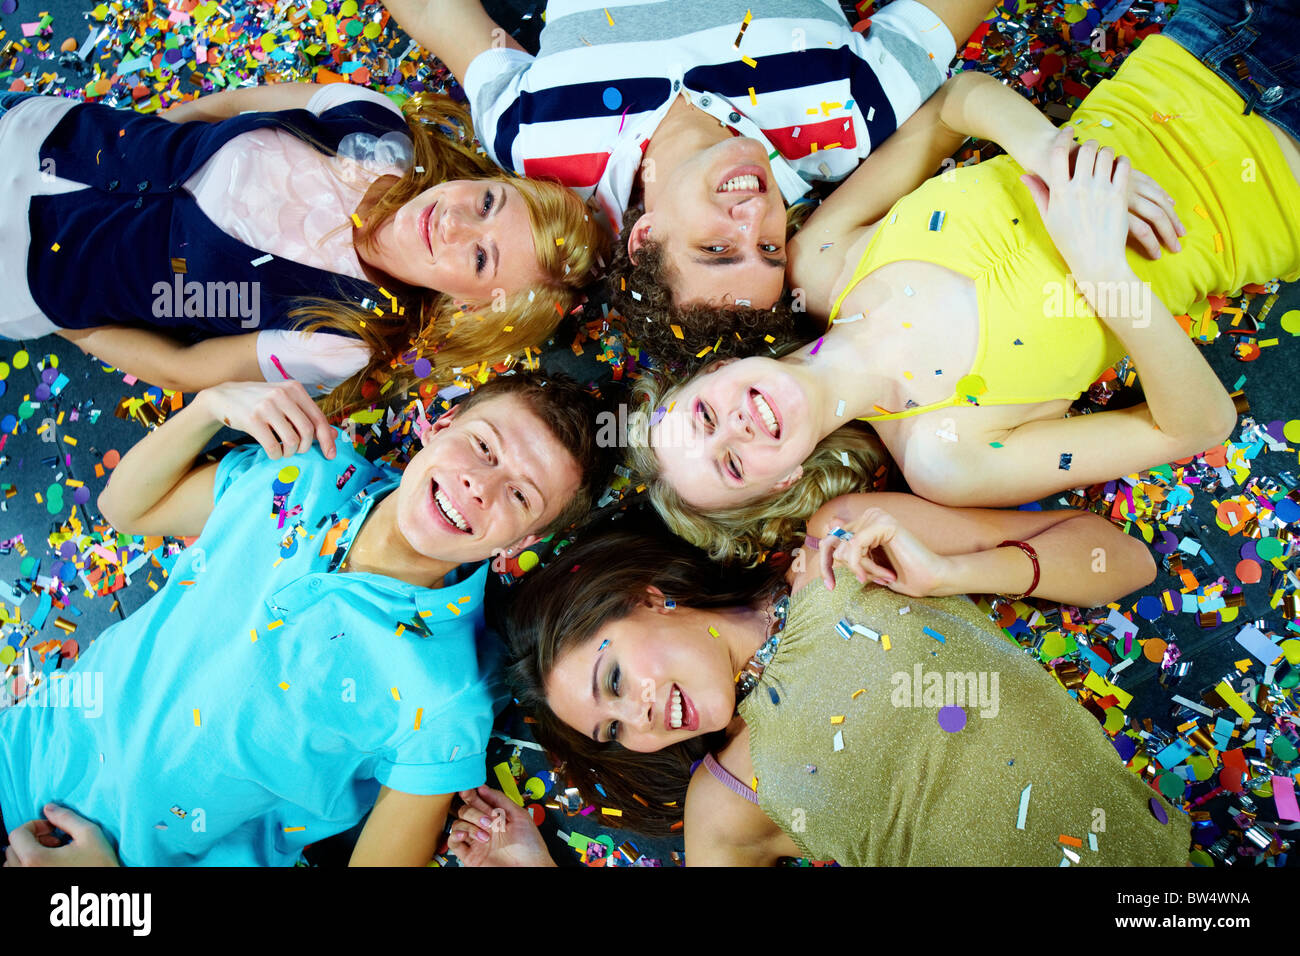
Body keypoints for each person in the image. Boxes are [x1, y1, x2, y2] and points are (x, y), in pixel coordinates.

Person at [627, 0, 1300, 562]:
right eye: (733, 465)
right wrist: (1102, 269)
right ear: (786, 482)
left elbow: (956, 103)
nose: (736, 427)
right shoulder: (946, 461)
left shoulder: (820, 261)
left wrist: (1046, 151)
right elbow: (1196, 426)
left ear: (716, 370)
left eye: (705, 415)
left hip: (1211, 42)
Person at [0, 371, 613, 866]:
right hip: (16, 749)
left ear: (519, 544)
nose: (481, 485)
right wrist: (210, 404)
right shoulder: (299, 472)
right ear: (442, 424)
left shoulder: (448, 698)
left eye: (520, 495)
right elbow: (123, 508)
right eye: (482, 446)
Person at [445, 493, 1193, 866]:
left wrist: (955, 574)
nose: (640, 718)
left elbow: (1124, 561)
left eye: (614, 679)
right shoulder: (725, 803)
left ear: (647, 596)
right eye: (614, 731)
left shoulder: (844, 548)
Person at [0, 82, 606, 409]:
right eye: (488, 203)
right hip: (36, 131)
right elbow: (232, 106)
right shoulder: (371, 122)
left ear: (471, 305)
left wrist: (67, 323)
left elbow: (184, 370)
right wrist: (153, 132)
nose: (454, 223)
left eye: (480, 257)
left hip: (21, 275)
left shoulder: (339, 338)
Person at [384, 0, 998, 313]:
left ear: (644, 237)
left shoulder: (536, 143)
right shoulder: (845, 119)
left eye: (718, 249)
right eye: (769, 248)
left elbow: (440, 15)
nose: (753, 220)